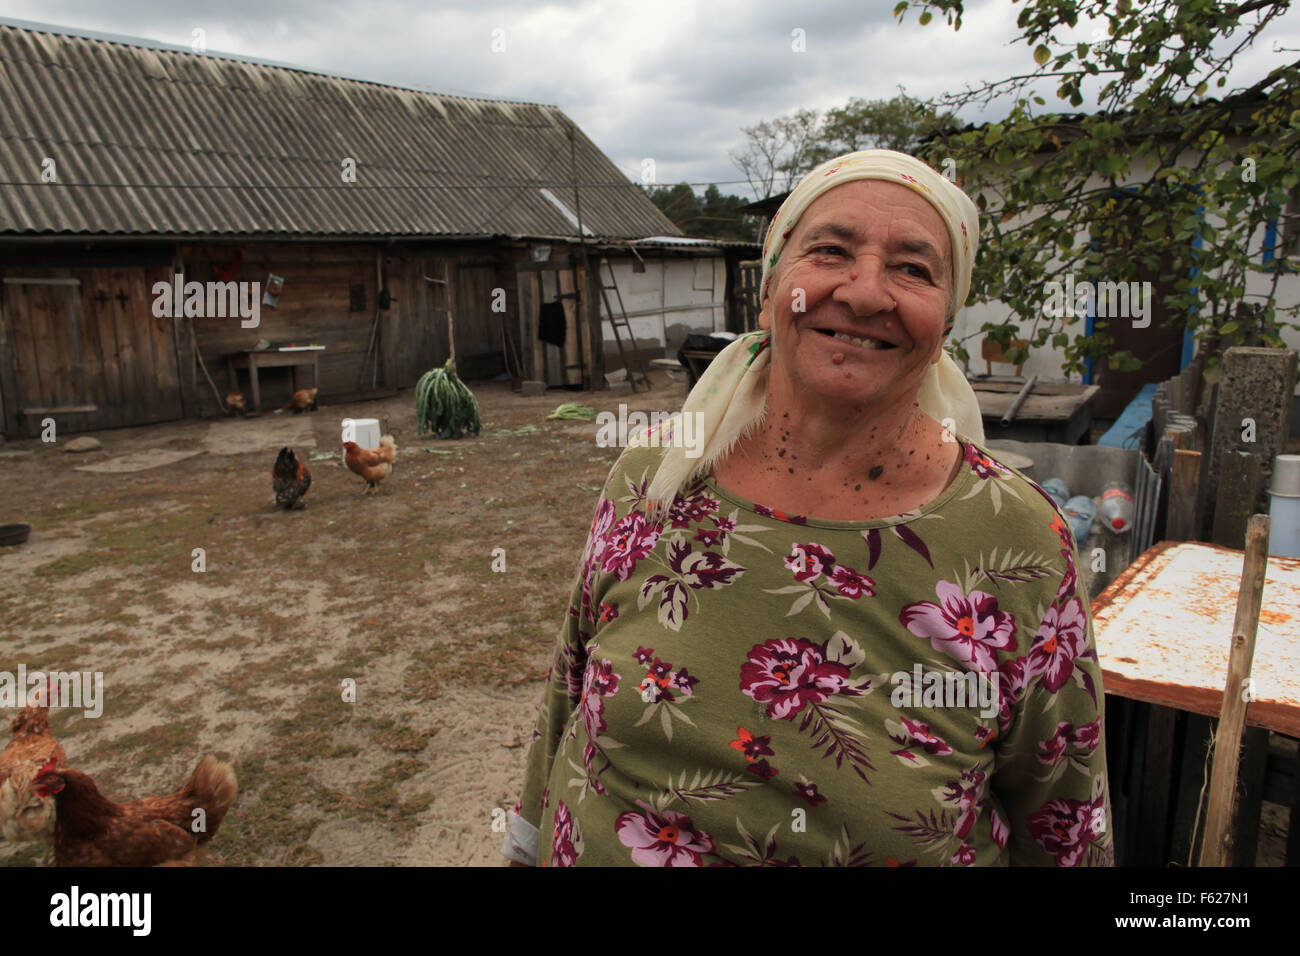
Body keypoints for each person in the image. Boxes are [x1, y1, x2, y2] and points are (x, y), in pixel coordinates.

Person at [503, 149, 1114, 867]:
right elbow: (569, 696)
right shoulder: (655, 476)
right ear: (768, 290)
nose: (864, 293)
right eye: (831, 250)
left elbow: (1064, 825)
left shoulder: (1018, 542)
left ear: (945, 319)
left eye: (913, 269)